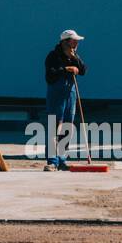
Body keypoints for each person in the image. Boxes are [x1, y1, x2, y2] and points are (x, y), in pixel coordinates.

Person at [44, 29, 86, 171]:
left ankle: (62, 158)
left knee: (68, 126)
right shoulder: (53, 56)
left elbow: (84, 70)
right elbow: (50, 75)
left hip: (71, 93)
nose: (76, 43)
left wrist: (74, 60)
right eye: (74, 41)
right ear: (65, 42)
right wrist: (65, 69)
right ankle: (52, 160)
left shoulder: (74, 55)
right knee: (54, 125)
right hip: (56, 93)